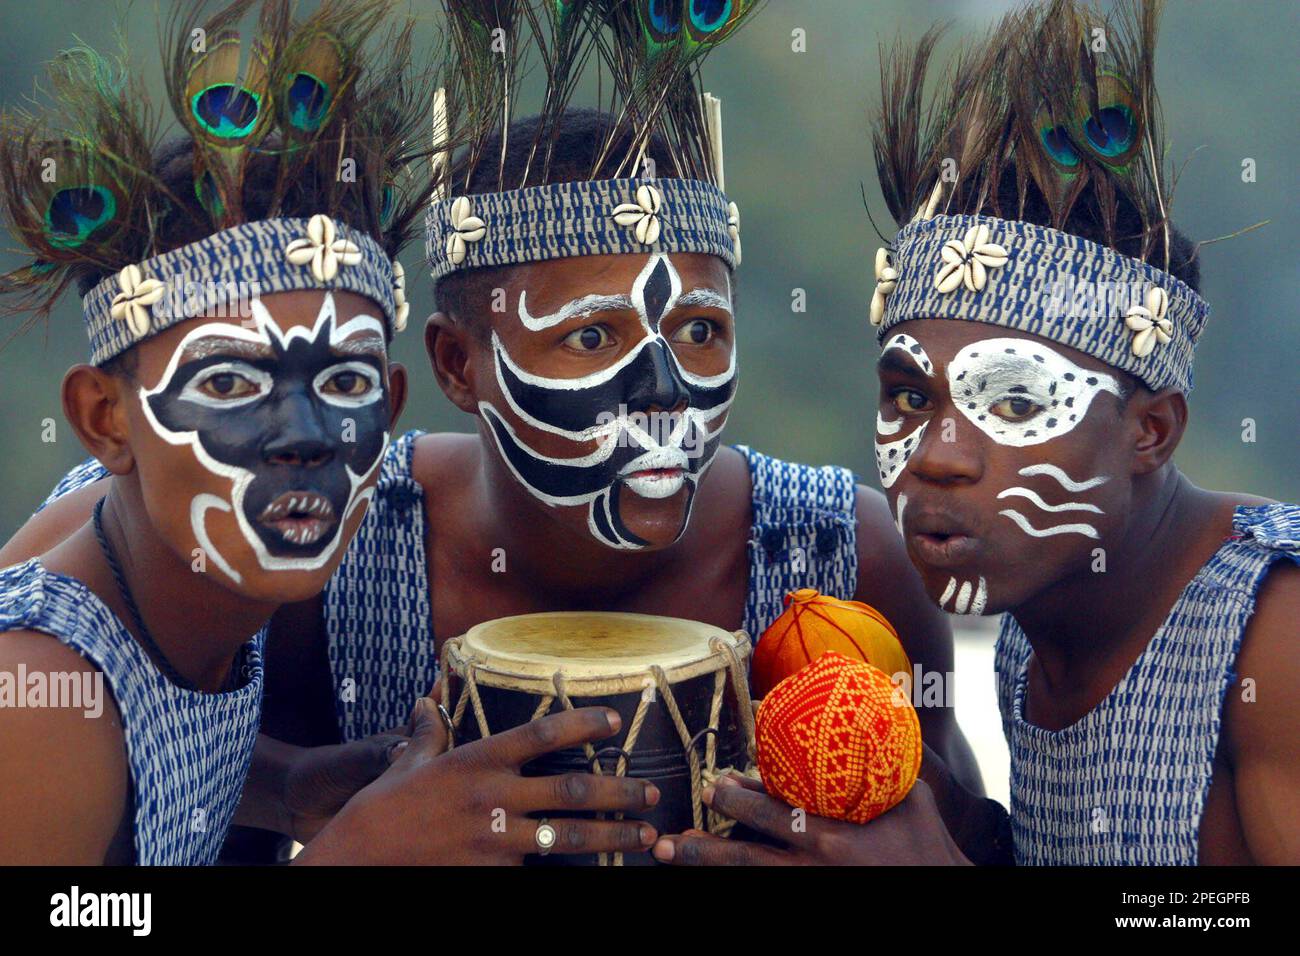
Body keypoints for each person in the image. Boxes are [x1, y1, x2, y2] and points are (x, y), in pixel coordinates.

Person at [4, 0, 981, 862]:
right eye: (589, 336)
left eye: (700, 331)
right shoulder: (316, 563)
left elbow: (962, 828)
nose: (662, 391)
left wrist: (299, 782)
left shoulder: (838, 554)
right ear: (455, 368)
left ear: (382, 397)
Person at [0, 0, 656, 865]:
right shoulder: (41, 696)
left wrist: (285, 785)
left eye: (341, 382)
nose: (304, 438)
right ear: (104, 420)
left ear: (388, 411)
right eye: (230, 381)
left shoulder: (192, 592)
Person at [651, 0, 1298, 867]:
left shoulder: (1274, 635)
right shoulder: (1031, 620)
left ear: (1150, 431)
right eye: (912, 398)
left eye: (1020, 406)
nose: (940, 457)